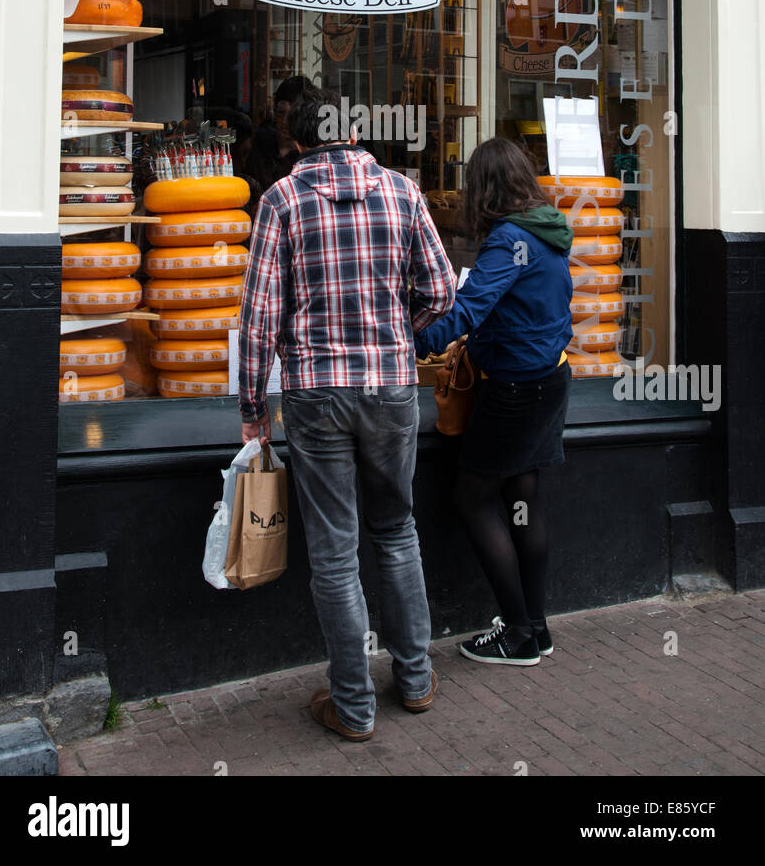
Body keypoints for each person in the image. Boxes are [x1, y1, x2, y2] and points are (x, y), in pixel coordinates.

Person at [237, 88, 456, 741]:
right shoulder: (401, 191)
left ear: (295, 140)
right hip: (390, 386)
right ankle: (414, 681)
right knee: (396, 531)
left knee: (334, 553)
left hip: (314, 391)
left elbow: (258, 321)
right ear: (356, 129)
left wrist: (253, 409)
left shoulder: (280, 199)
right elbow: (441, 291)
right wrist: (395, 330)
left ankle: (353, 706)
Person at [414, 138, 573, 669]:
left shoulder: (509, 240)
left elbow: (469, 311)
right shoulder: (548, 228)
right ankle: (536, 626)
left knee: (474, 498)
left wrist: (409, 345)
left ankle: (519, 633)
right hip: (550, 379)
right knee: (524, 498)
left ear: (483, 188)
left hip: (513, 389)